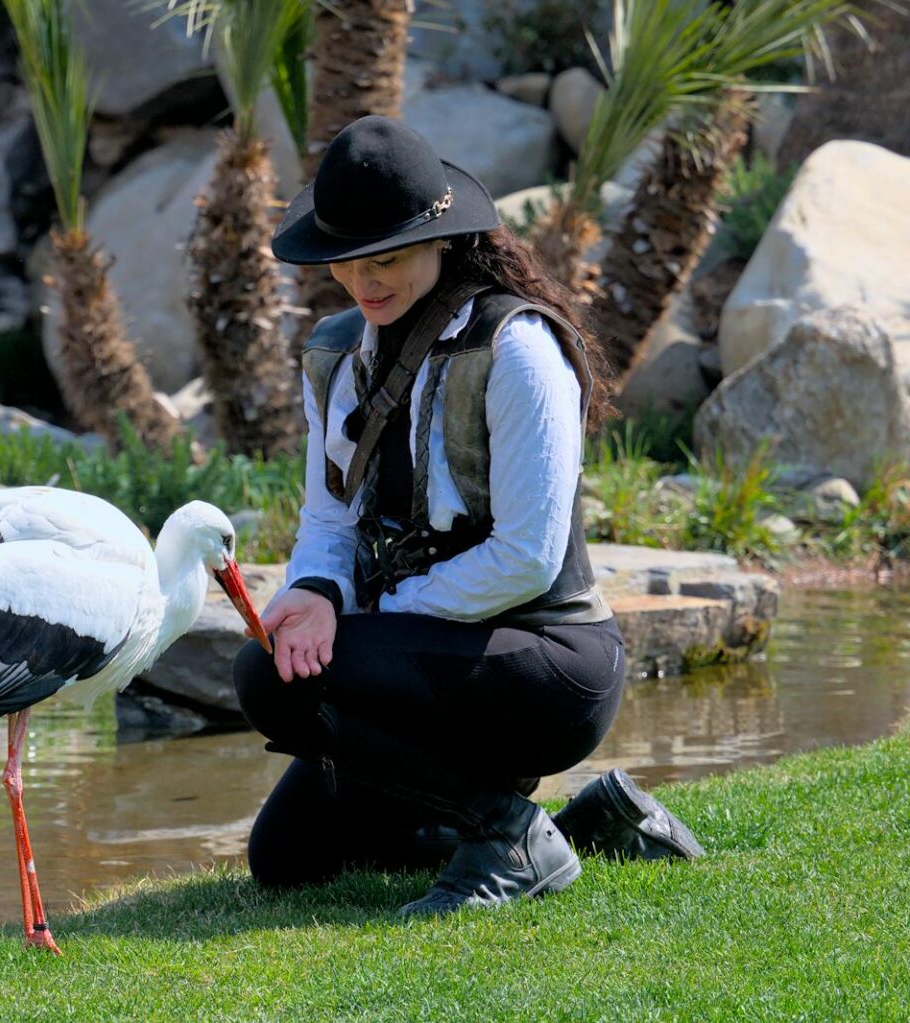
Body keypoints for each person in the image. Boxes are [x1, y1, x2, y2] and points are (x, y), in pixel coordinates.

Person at [234, 116, 702, 918]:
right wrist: (313, 590)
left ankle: (507, 832)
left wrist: (369, 623)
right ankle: (585, 821)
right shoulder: (339, 351)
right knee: (287, 858)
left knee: (262, 680)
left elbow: (526, 556)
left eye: (386, 260)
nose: (364, 283)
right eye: (347, 262)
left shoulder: (517, 349)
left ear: (444, 240)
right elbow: (328, 520)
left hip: (547, 663)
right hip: (421, 659)